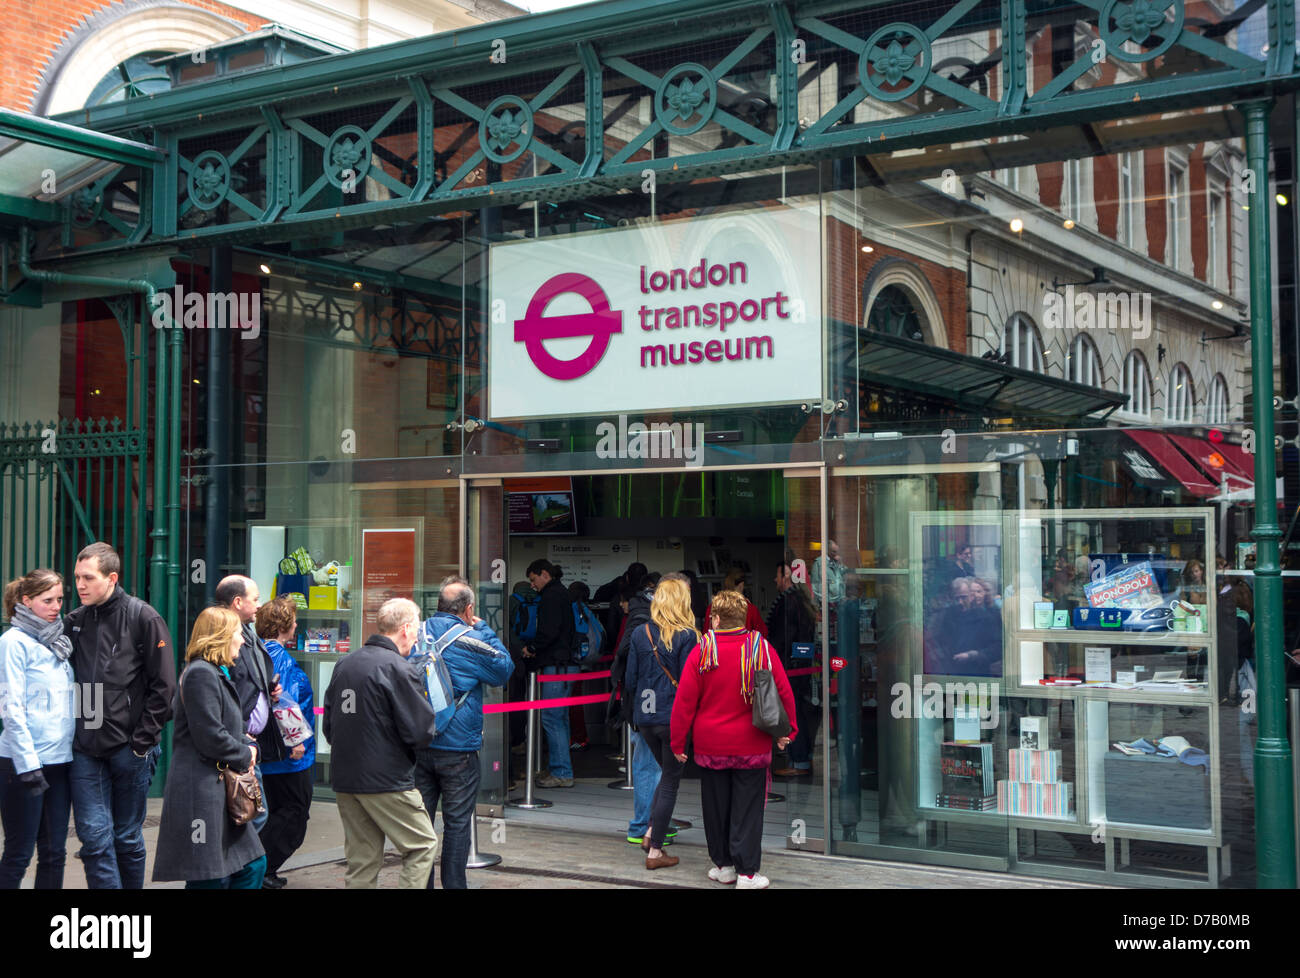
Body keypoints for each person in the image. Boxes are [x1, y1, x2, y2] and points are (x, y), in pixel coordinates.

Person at [64, 541, 175, 890]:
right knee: (95, 839)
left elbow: (165, 687)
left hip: (130, 749)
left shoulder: (143, 617)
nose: (79, 585)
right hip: (85, 749)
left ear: (111, 578)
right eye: (77, 577)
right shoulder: (75, 622)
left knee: (126, 838)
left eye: (88, 578)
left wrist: (140, 743)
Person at [671, 589, 797, 889]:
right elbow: (783, 691)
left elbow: (684, 702)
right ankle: (748, 873)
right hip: (751, 744)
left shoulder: (702, 650)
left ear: (715, 618)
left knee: (715, 809)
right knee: (748, 810)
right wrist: (787, 732)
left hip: (710, 744)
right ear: (744, 617)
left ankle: (724, 866)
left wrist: (678, 743)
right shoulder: (761, 647)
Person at [323, 597, 438, 888]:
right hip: (386, 778)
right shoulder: (398, 668)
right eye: (416, 629)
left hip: (346, 776)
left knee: (362, 860)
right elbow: (420, 731)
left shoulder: (346, 663)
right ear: (406, 628)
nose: (417, 636)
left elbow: (329, 724)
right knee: (422, 844)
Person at [152, 607, 266, 888]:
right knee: (209, 876)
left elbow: (227, 727)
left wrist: (248, 747)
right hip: (202, 790)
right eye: (238, 634)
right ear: (221, 637)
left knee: (250, 865)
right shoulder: (200, 674)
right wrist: (246, 754)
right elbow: (211, 736)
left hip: (218, 787)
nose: (242, 640)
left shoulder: (214, 671)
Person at [415, 576, 514, 889]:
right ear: (468, 609)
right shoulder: (471, 638)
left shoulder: (413, 634)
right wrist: (483, 628)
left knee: (419, 824)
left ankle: (421, 884)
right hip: (457, 747)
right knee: (457, 824)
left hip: (418, 742)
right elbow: (503, 669)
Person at [0, 569, 74, 889]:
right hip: (24, 764)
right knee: (19, 852)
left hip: (60, 761)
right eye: (47, 600)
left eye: (59, 599)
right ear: (26, 601)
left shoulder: (58, 640)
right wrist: (28, 765)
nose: (56, 606)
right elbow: (11, 708)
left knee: (55, 853)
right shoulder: (13, 642)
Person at [627, 573, 698, 870]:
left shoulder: (640, 632)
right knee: (670, 780)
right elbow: (689, 684)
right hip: (672, 720)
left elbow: (631, 679)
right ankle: (655, 850)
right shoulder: (687, 635)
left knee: (665, 774)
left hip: (645, 719)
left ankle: (649, 831)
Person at [215, 575, 288, 835]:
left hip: (251, 744)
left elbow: (249, 680)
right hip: (239, 744)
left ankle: (241, 870)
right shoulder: (223, 635)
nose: (259, 605)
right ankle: (238, 872)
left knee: (253, 815)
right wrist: (238, 737)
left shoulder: (247, 631)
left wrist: (267, 692)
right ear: (237, 602)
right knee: (251, 816)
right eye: (254, 599)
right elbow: (222, 689)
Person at [255, 596, 313, 890]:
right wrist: (295, 744)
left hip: (266, 752)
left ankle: (263, 870)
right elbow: (284, 705)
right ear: (286, 625)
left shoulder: (256, 652)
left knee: (276, 812)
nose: (296, 624)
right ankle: (261, 869)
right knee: (294, 814)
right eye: (293, 620)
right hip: (289, 754)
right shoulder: (282, 661)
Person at [521, 559, 577, 788]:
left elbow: (549, 631)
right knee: (559, 719)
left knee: (552, 718)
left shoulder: (552, 596)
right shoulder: (562, 593)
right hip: (565, 664)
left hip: (557, 664)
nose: (533, 586)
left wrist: (532, 648)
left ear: (544, 574)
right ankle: (561, 768)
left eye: (533, 580)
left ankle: (562, 772)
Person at [767, 560, 816, 777]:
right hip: (800, 666)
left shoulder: (788, 603)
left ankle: (799, 761)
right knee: (798, 712)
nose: (775, 580)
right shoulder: (801, 601)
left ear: (786, 577)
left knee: (792, 713)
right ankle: (800, 759)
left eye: (778, 576)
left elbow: (781, 638)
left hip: (790, 668)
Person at [704, 568, 768, 637]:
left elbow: (705, 633)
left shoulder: (712, 607)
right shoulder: (750, 608)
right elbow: (763, 634)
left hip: (718, 646)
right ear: (741, 585)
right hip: (744, 647)